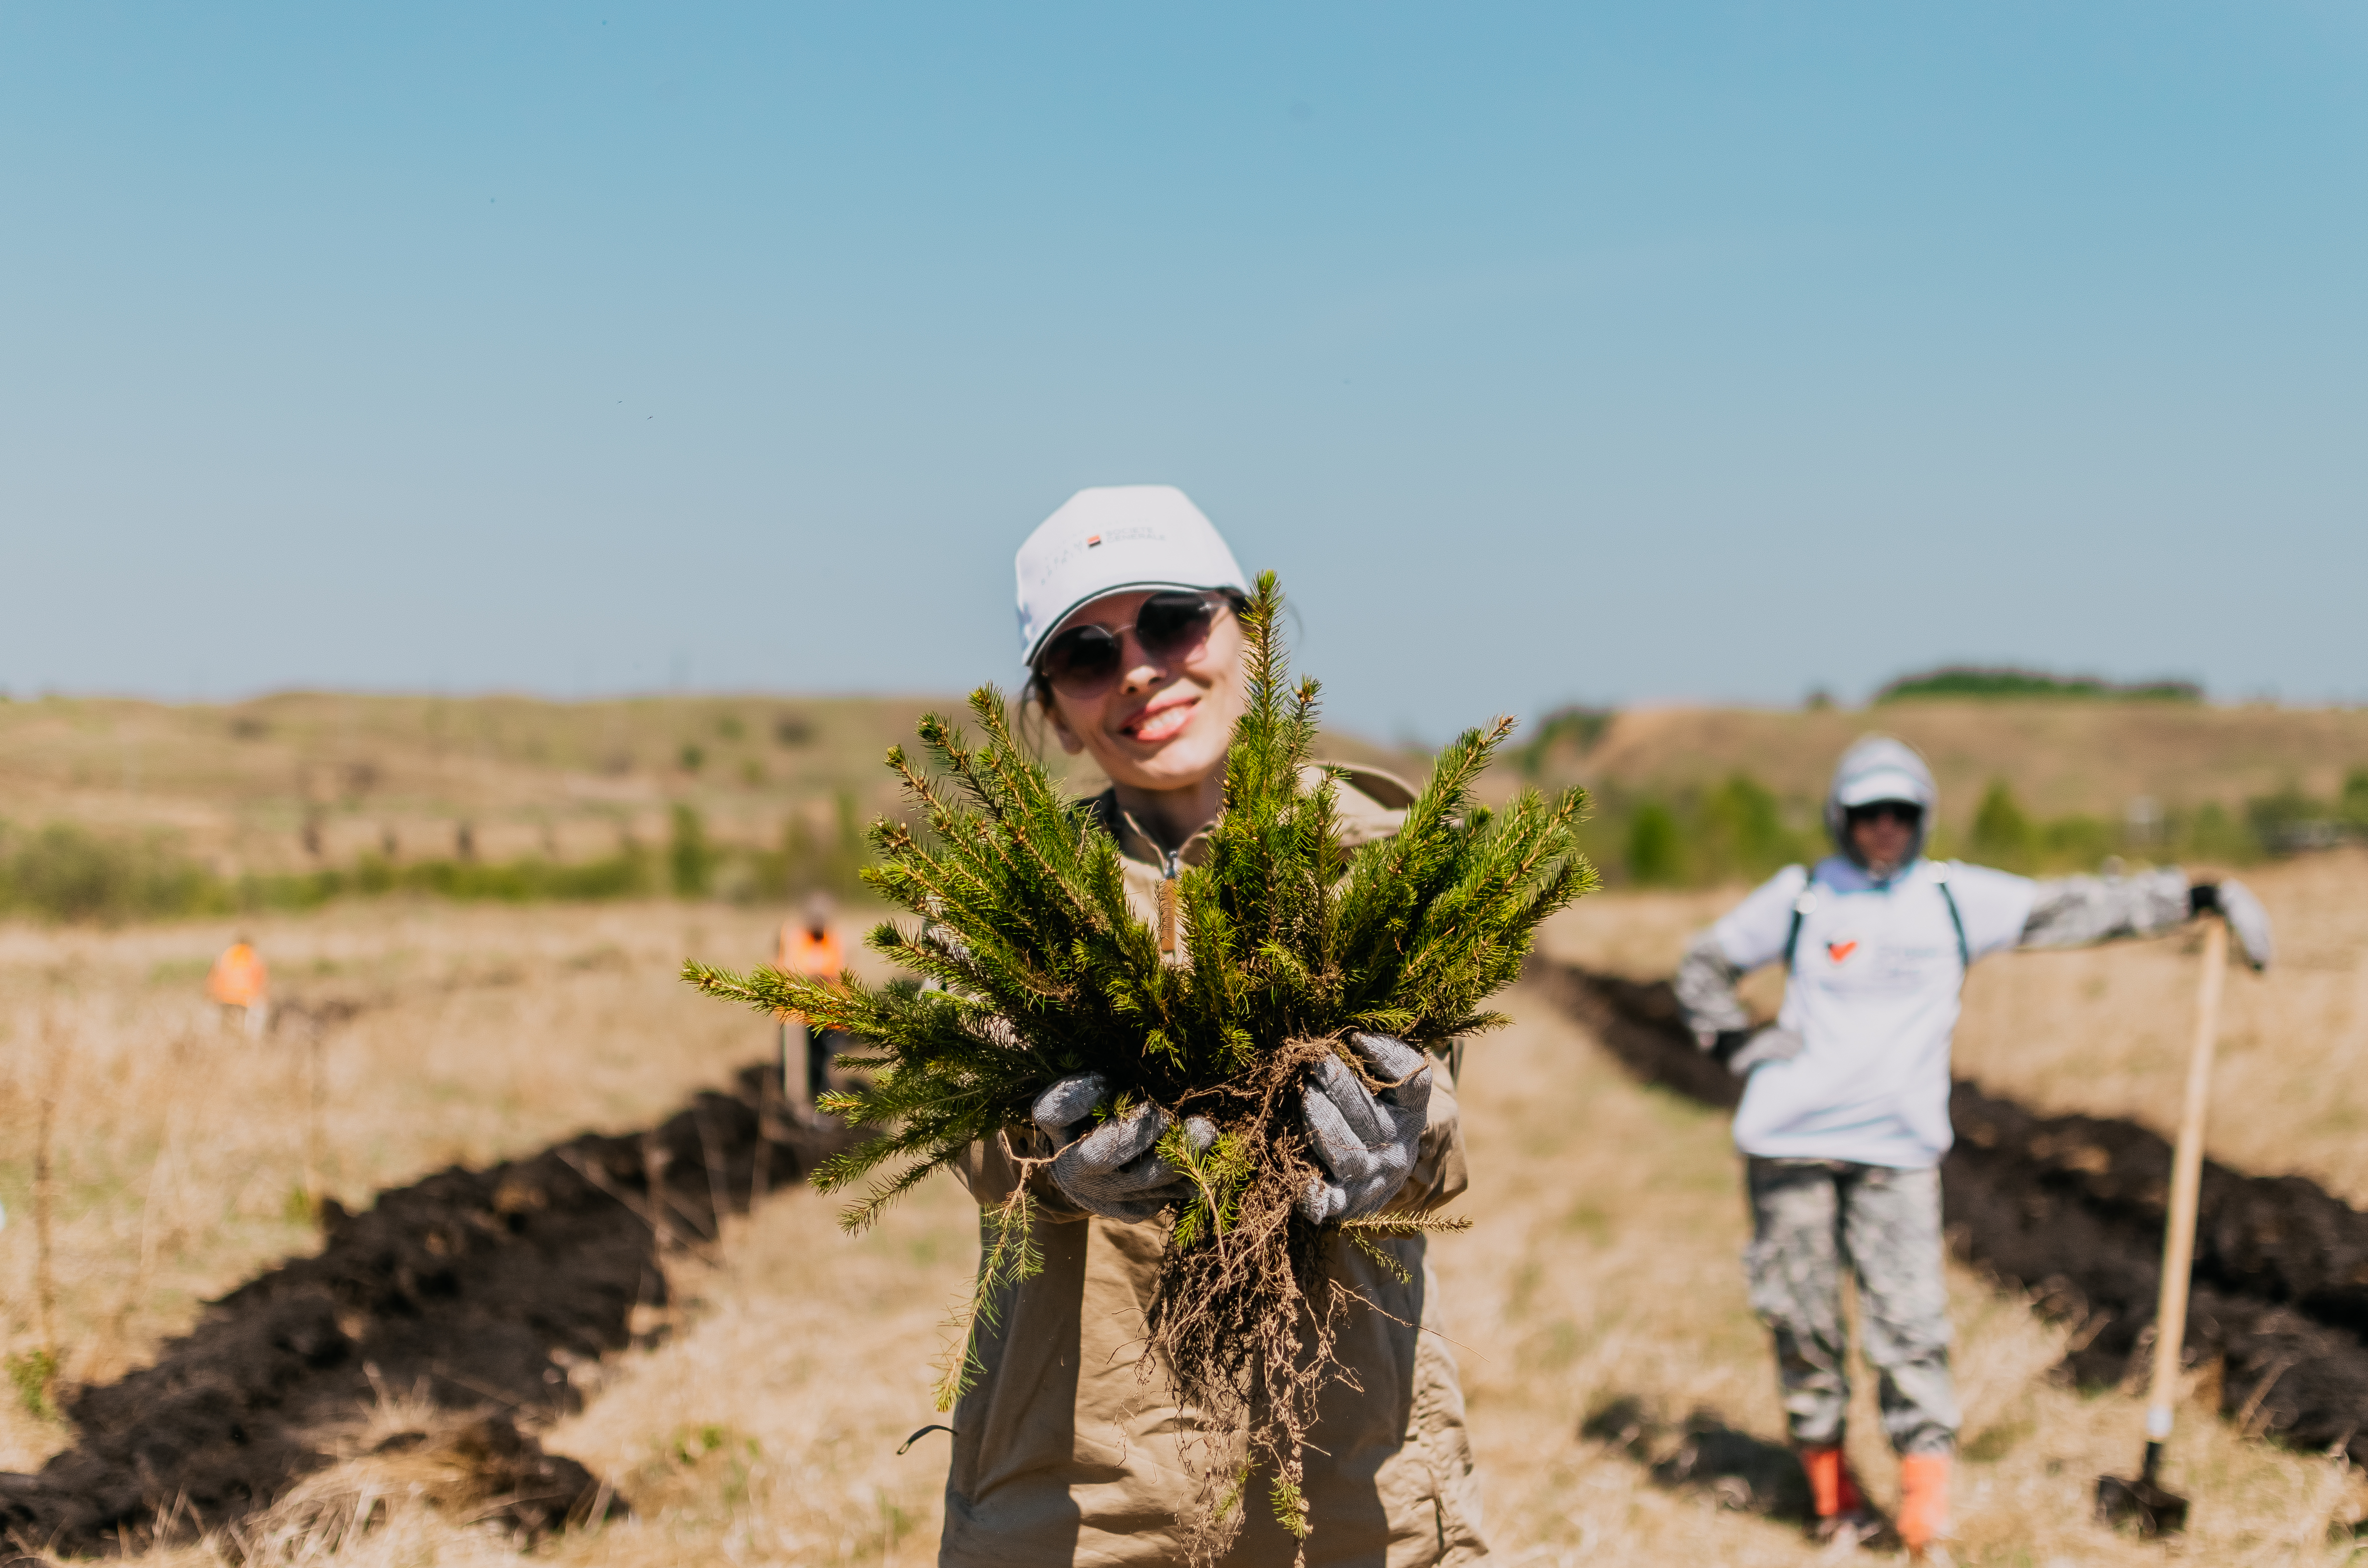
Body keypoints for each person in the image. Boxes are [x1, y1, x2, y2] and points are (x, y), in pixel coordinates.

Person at [938, 484, 1487, 1565]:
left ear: (1251, 632)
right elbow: (954, 1114)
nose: (1139, 667)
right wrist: (1041, 1148)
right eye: (1087, 654)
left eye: (1174, 620)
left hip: (1345, 1479)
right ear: (1054, 709)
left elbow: (1440, 1129)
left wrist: (1403, 1139)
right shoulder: (1016, 898)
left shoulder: (1381, 864)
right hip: (1080, 1495)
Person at [1674, 735, 2274, 1558]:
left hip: (1898, 1155)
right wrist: (1734, 1044)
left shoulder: (1953, 899)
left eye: (1901, 812)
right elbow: (1703, 963)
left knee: (1911, 1327)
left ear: (1921, 817)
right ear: (1840, 816)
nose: (1884, 826)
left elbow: (2073, 909)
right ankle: (1834, 1502)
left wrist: (2194, 892)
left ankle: (1926, 1522)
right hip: (1789, 1147)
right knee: (1803, 1322)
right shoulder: (1805, 896)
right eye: (1867, 812)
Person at [775, 893, 848, 1110]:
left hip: (826, 1014)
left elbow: (839, 972)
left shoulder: (833, 939)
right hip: (797, 1013)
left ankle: (823, 1105)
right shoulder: (794, 937)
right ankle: (795, 1106)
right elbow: (789, 970)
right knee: (794, 1065)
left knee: (823, 1062)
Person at [206, 936, 270, 1037]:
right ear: (251, 945)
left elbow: (211, 981)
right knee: (259, 1011)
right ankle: (252, 1040)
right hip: (246, 997)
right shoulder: (254, 957)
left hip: (223, 997)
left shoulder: (225, 955)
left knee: (217, 1019)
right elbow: (262, 984)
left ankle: (216, 1039)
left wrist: (212, 998)